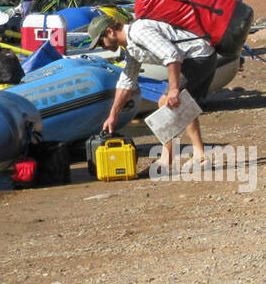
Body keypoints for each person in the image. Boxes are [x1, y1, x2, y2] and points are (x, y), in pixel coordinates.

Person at [87, 13, 219, 171]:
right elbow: (127, 81)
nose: (103, 47)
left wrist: (174, 89)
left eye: (101, 42)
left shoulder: (138, 32)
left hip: (198, 56)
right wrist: (112, 116)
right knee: (182, 103)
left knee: (168, 102)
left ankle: (174, 157)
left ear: (110, 31)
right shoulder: (131, 48)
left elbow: (172, 55)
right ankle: (193, 156)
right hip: (200, 57)